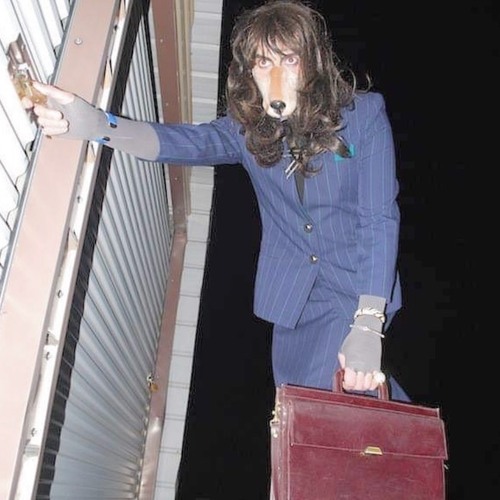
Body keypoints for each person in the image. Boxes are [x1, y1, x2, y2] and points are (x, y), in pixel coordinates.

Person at [24, 0, 409, 401]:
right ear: (250, 72)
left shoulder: (363, 117)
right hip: (293, 299)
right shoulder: (247, 130)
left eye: (289, 60)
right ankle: (414, 436)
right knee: (302, 406)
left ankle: (411, 439)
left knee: (323, 403)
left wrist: (368, 322)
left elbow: (379, 220)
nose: (276, 76)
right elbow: (183, 142)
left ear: (311, 61)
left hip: (355, 290)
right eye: (263, 63)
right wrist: (96, 125)